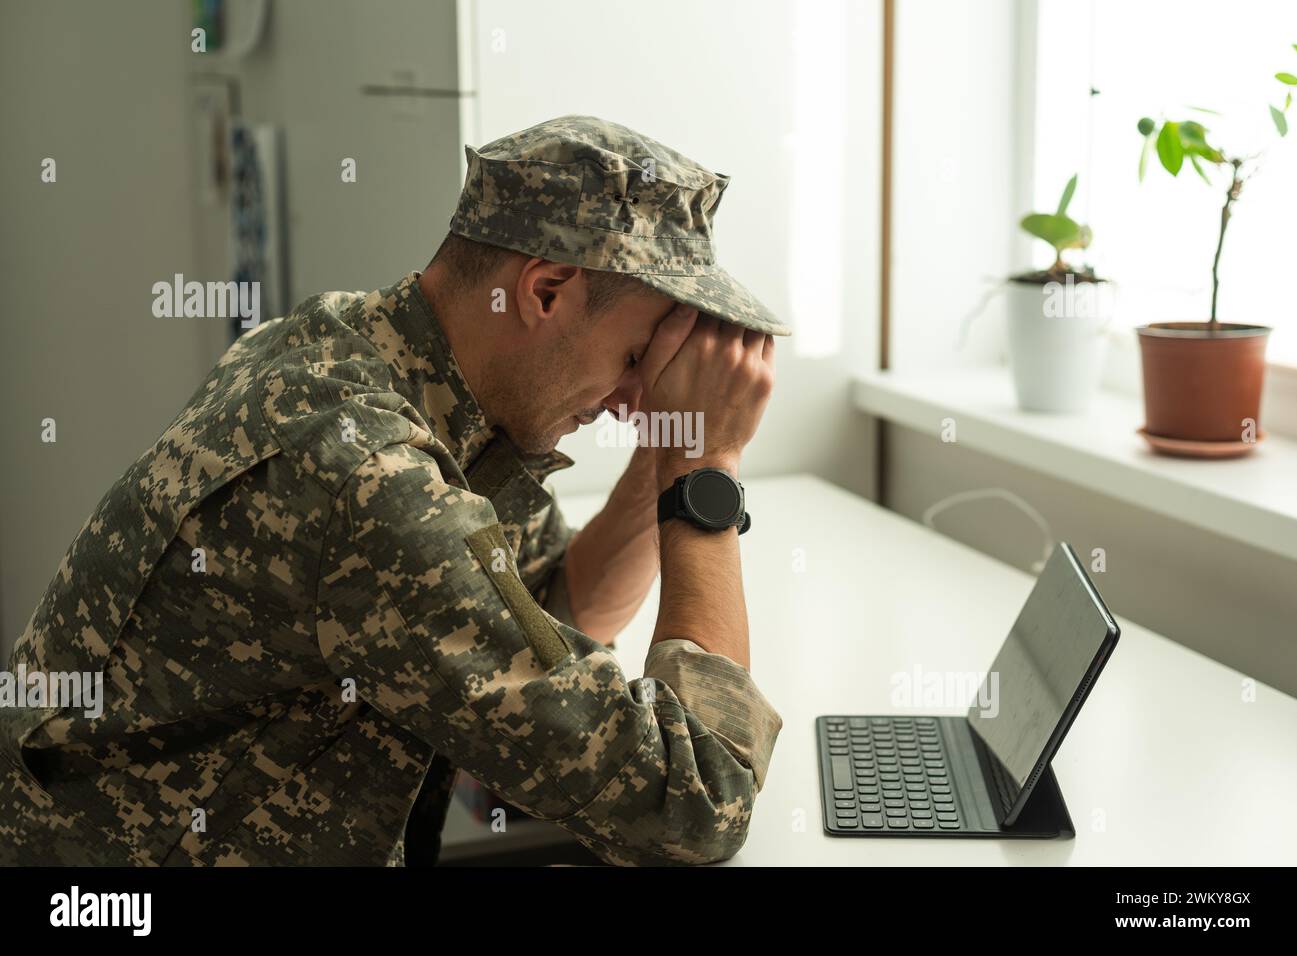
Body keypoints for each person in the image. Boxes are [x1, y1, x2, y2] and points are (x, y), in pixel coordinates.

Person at [0, 116, 787, 866]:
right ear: (546, 291)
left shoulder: (347, 347)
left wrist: (664, 452)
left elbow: (549, 611)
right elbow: (698, 802)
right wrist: (703, 470)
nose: (632, 397)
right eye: (636, 356)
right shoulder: (367, 478)